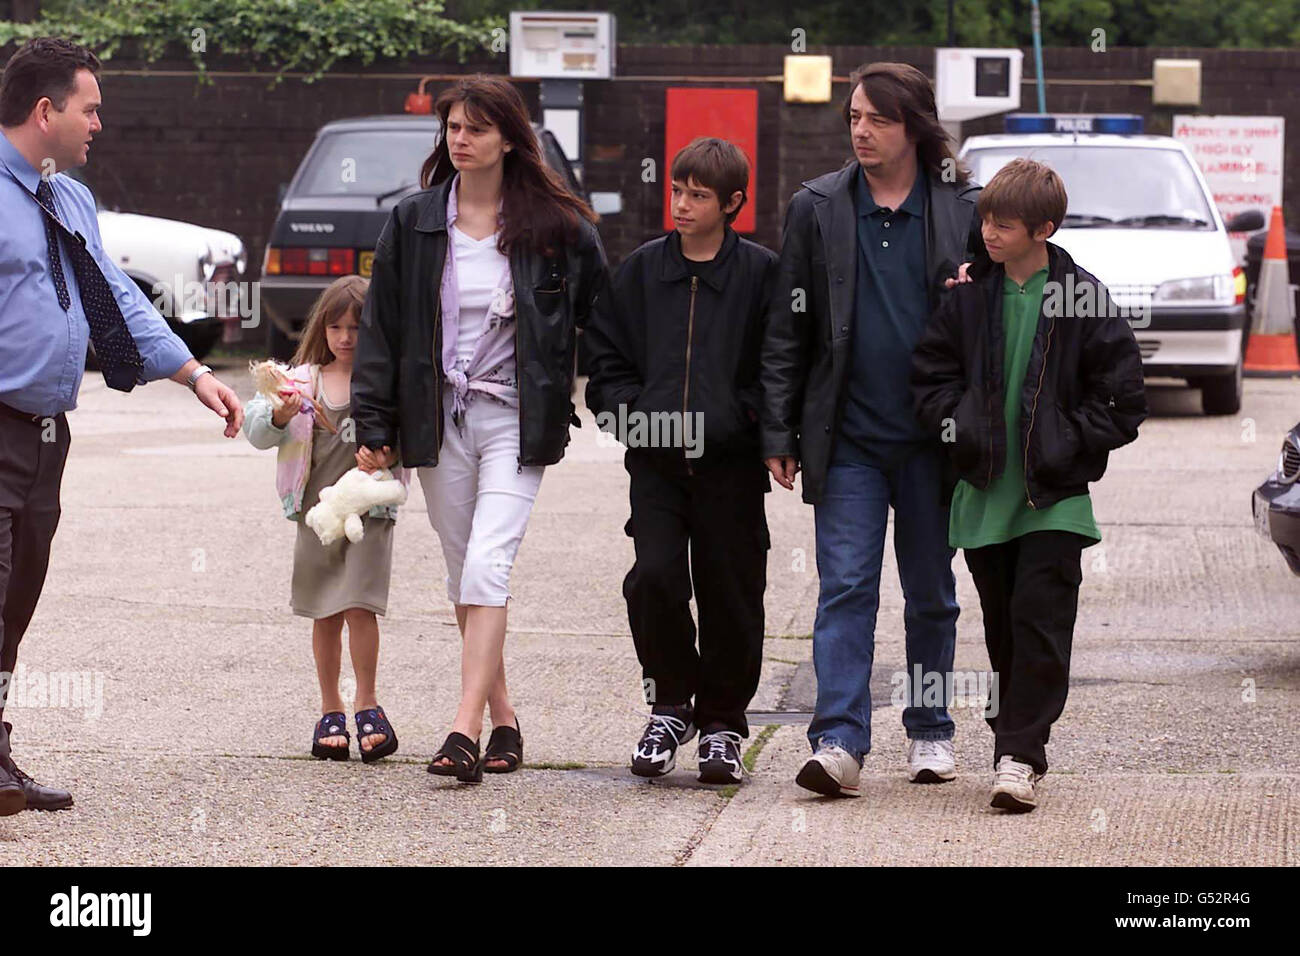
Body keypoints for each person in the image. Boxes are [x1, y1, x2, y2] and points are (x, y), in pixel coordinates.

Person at [0, 37, 244, 815]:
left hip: (46, 435)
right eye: (90, 108)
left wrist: (193, 373)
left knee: (15, 604)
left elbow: (117, 295)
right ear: (47, 112)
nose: (99, 124)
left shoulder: (70, 199)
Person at [351, 75, 609, 783]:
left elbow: (601, 319)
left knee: (488, 565)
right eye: (453, 128)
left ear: (509, 139)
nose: (460, 140)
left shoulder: (557, 229)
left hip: (517, 418)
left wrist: (601, 393)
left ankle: (463, 728)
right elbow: (381, 329)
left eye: (476, 128)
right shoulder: (414, 221)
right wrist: (374, 421)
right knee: (463, 571)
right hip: (436, 419)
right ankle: (504, 716)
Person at [760, 62, 984, 798]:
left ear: (914, 127)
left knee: (931, 593)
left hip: (931, 442)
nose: (861, 130)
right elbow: (787, 328)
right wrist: (779, 430)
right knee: (846, 588)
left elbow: (992, 323)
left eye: (879, 119)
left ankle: (930, 730)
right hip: (848, 439)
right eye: (854, 117)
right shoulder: (818, 206)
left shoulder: (963, 209)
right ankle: (838, 741)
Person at [912, 158, 1146, 811]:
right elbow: (928, 379)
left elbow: (1124, 398)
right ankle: (1012, 742)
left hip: (1054, 500)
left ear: (1043, 229)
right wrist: (960, 427)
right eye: (986, 219)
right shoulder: (967, 295)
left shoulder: (1082, 296)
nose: (989, 232)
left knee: (1042, 624)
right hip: (985, 495)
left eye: (1005, 224)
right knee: (1004, 631)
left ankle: (1020, 756)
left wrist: (1066, 442)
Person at [585, 137, 777, 784]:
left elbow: (778, 364)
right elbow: (605, 361)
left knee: (732, 593)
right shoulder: (641, 271)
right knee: (654, 578)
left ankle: (722, 724)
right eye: (677, 190)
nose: (683, 204)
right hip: (657, 467)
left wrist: (744, 423)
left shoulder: (761, 274)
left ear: (733, 203)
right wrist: (633, 419)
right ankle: (670, 706)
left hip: (731, 468)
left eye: (698, 195)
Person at [244, 275, 404, 763]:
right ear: (322, 329)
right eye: (336, 327)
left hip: (369, 511)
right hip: (317, 515)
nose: (346, 337)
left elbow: (415, 432)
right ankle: (330, 706)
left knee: (360, 606)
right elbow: (256, 431)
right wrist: (279, 415)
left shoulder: (387, 380)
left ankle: (367, 702)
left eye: (357, 327)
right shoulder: (299, 381)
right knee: (325, 611)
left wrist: (389, 455)